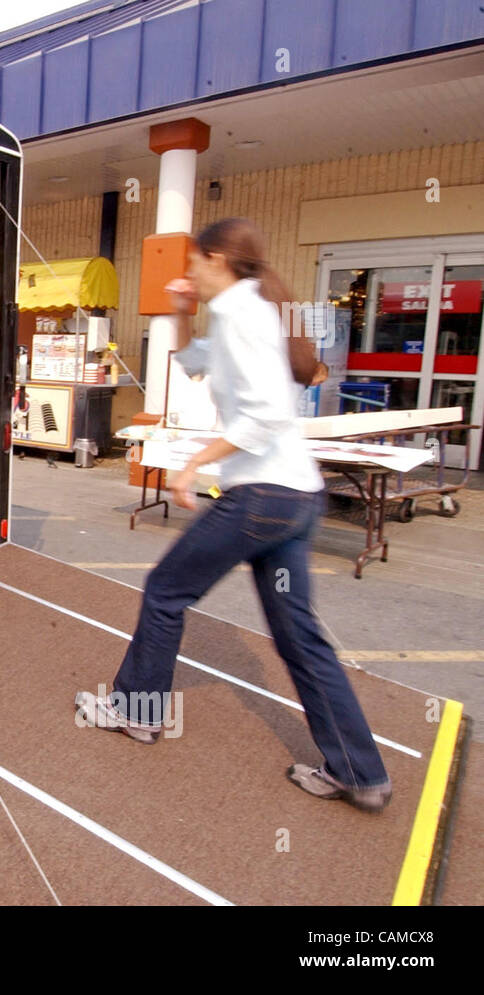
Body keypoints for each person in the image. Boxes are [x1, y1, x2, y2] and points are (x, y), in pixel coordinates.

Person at [74, 217, 392, 813]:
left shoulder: (246, 315)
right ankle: (360, 771)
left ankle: (136, 711)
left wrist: (196, 463)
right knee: (299, 636)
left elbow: (267, 416)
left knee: (166, 590)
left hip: (262, 497)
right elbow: (194, 363)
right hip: (295, 498)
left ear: (218, 258)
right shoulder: (240, 313)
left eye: (195, 260)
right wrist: (182, 311)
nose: (188, 268)